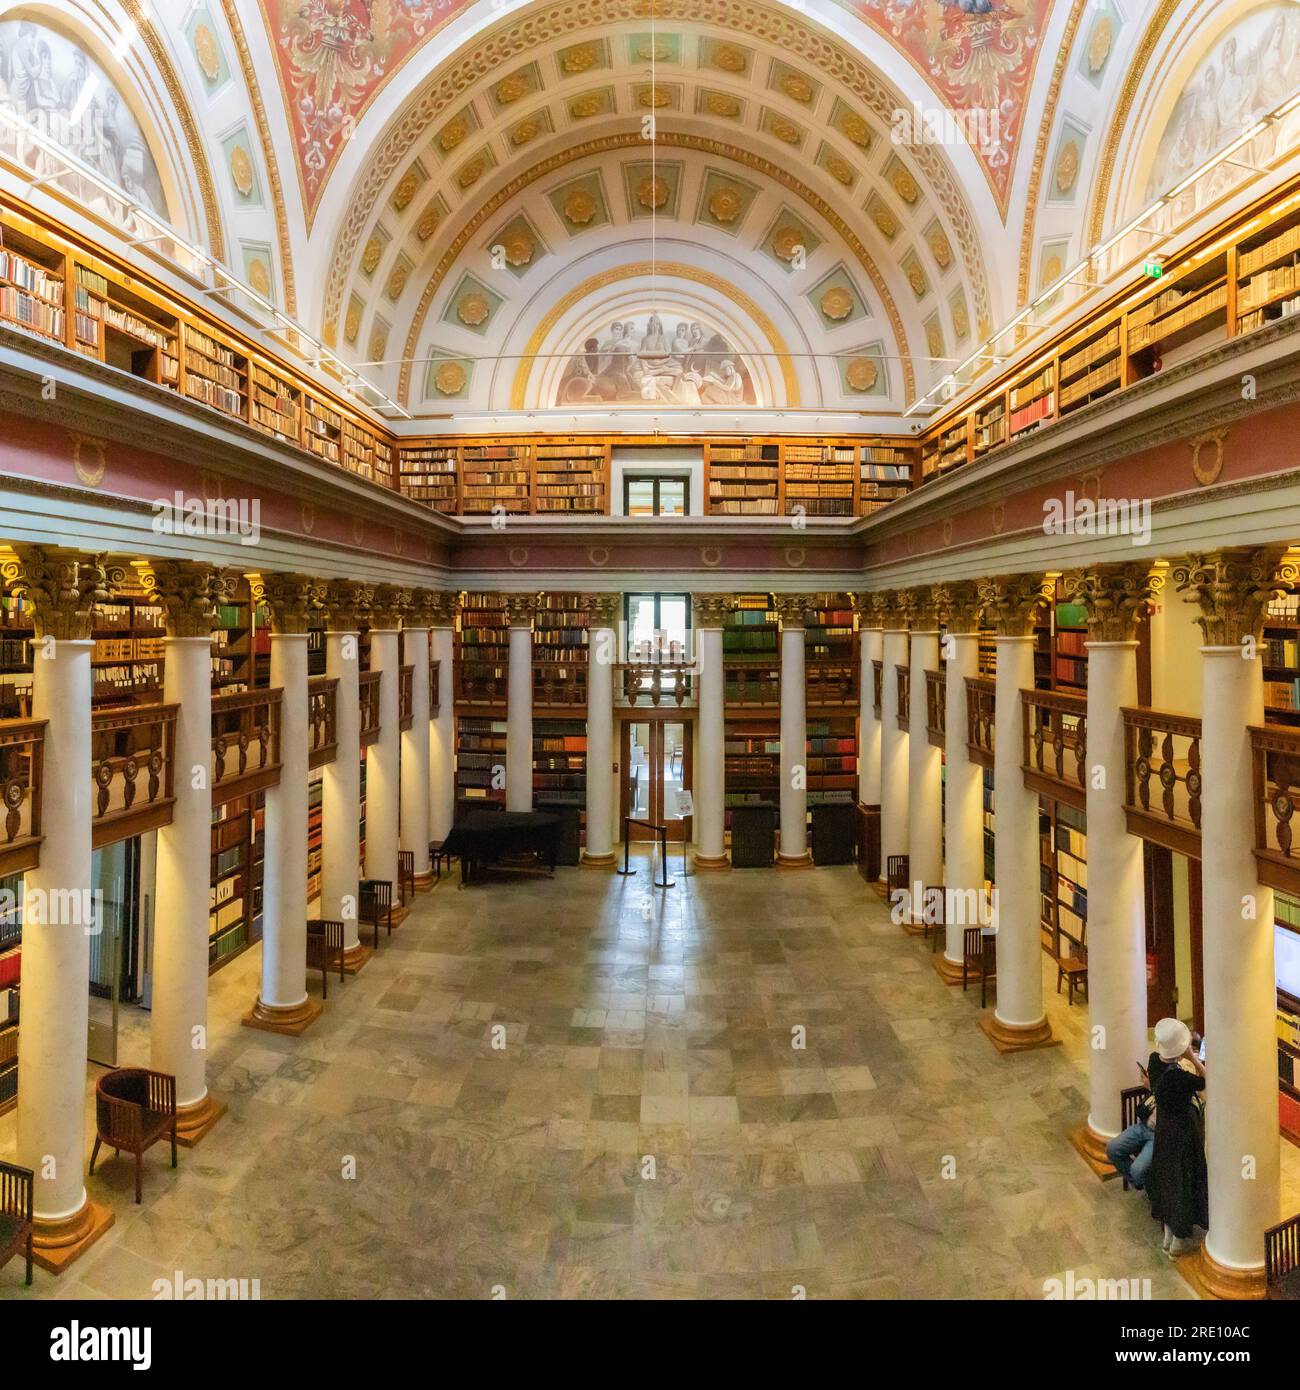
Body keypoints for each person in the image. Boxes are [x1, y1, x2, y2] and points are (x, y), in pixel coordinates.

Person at [1144, 1019, 1208, 1257]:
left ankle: (1169, 1234)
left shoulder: (1153, 1063)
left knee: (1169, 1179)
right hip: (1183, 1132)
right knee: (1184, 1179)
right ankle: (1181, 1238)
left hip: (1164, 1131)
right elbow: (1205, 1079)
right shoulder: (1180, 1078)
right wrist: (1192, 1058)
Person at [1104, 1016, 1188, 1190]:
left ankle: (1148, 1185)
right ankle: (1149, 1185)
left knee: (1136, 1170)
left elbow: (1173, 1100)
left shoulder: (1183, 1074)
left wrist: (1152, 1087)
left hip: (1160, 1133)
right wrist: (1152, 1086)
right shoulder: (1156, 1061)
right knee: (1112, 1149)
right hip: (1145, 1124)